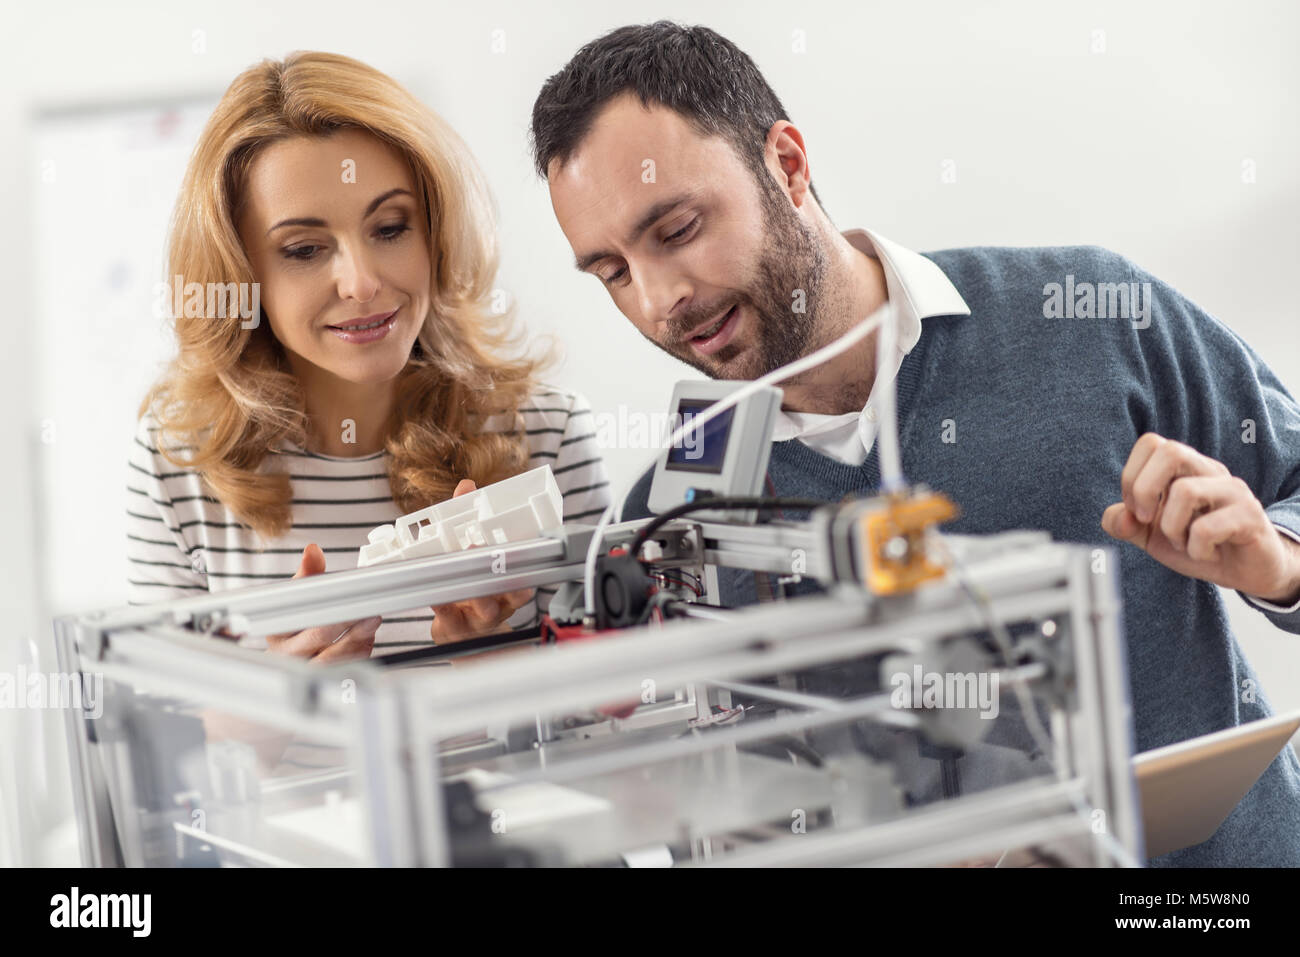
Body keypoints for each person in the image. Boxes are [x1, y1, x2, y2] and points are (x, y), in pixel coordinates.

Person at [529, 22, 1300, 867]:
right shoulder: (666, 525)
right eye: (610, 272)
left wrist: (1279, 562)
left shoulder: (1091, 314)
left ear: (787, 165)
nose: (658, 300)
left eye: (675, 230)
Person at [128, 51, 609, 661]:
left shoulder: (550, 433)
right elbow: (162, 746)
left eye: (389, 229)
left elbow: (620, 718)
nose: (360, 283)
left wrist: (486, 657)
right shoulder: (177, 462)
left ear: (434, 231)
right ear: (243, 274)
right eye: (303, 249)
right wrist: (273, 704)